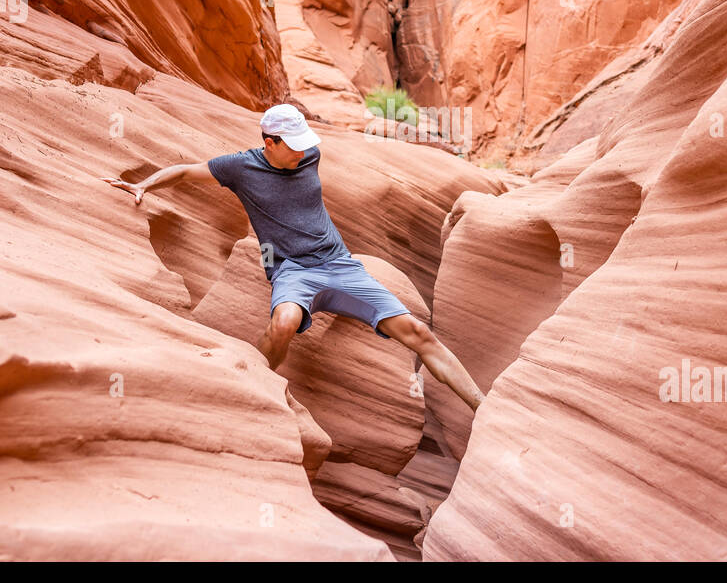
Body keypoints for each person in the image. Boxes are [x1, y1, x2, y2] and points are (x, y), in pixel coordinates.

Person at [103, 103, 485, 411]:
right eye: (292, 143)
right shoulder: (239, 168)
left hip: (339, 264)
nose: (302, 149)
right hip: (292, 270)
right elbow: (187, 172)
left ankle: (481, 407)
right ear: (269, 142)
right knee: (284, 322)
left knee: (418, 332)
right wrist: (143, 184)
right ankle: (258, 391)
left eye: (304, 141)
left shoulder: (309, 156)